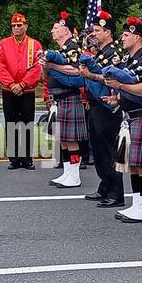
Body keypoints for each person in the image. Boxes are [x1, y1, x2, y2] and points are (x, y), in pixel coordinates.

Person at [104, 16, 142, 222]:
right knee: (135, 164)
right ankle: (137, 204)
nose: (122, 38)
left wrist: (122, 87)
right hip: (131, 117)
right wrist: (117, 99)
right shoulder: (130, 61)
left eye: (126, 35)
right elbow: (131, 91)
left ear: (137, 38)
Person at [78, 11, 125, 207]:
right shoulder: (102, 53)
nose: (94, 34)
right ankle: (105, 186)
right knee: (98, 149)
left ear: (108, 32)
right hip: (96, 104)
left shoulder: (113, 54)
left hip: (108, 106)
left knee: (109, 150)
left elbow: (111, 80)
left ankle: (116, 192)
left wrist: (89, 75)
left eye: (98, 30)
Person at [0, 12, 43, 170]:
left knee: (27, 124)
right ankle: (14, 159)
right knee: (11, 123)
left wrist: (22, 84)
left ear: (25, 26)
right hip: (9, 91)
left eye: (19, 25)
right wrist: (12, 84)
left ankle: (27, 158)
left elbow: (37, 68)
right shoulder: (4, 43)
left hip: (27, 91)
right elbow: (0, 66)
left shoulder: (35, 45)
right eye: (14, 25)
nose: (16, 28)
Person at [44, 11, 86, 188]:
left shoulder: (73, 47)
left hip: (69, 97)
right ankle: (67, 172)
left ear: (65, 30)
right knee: (63, 138)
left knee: (71, 139)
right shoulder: (62, 50)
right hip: (59, 99)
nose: (52, 31)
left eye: (56, 28)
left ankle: (74, 175)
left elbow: (76, 70)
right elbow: (47, 75)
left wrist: (52, 65)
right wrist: (45, 65)